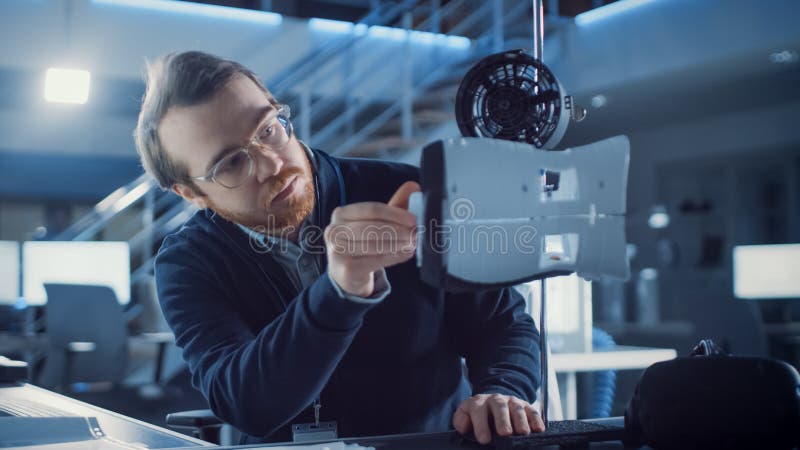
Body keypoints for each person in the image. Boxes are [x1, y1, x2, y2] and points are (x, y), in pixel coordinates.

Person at [134, 51, 544, 444]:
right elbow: (245, 403)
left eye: (268, 130)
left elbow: (503, 324)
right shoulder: (187, 263)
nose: (273, 165)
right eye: (231, 165)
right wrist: (340, 292)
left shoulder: (406, 193)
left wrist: (502, 390)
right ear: (190, 193)